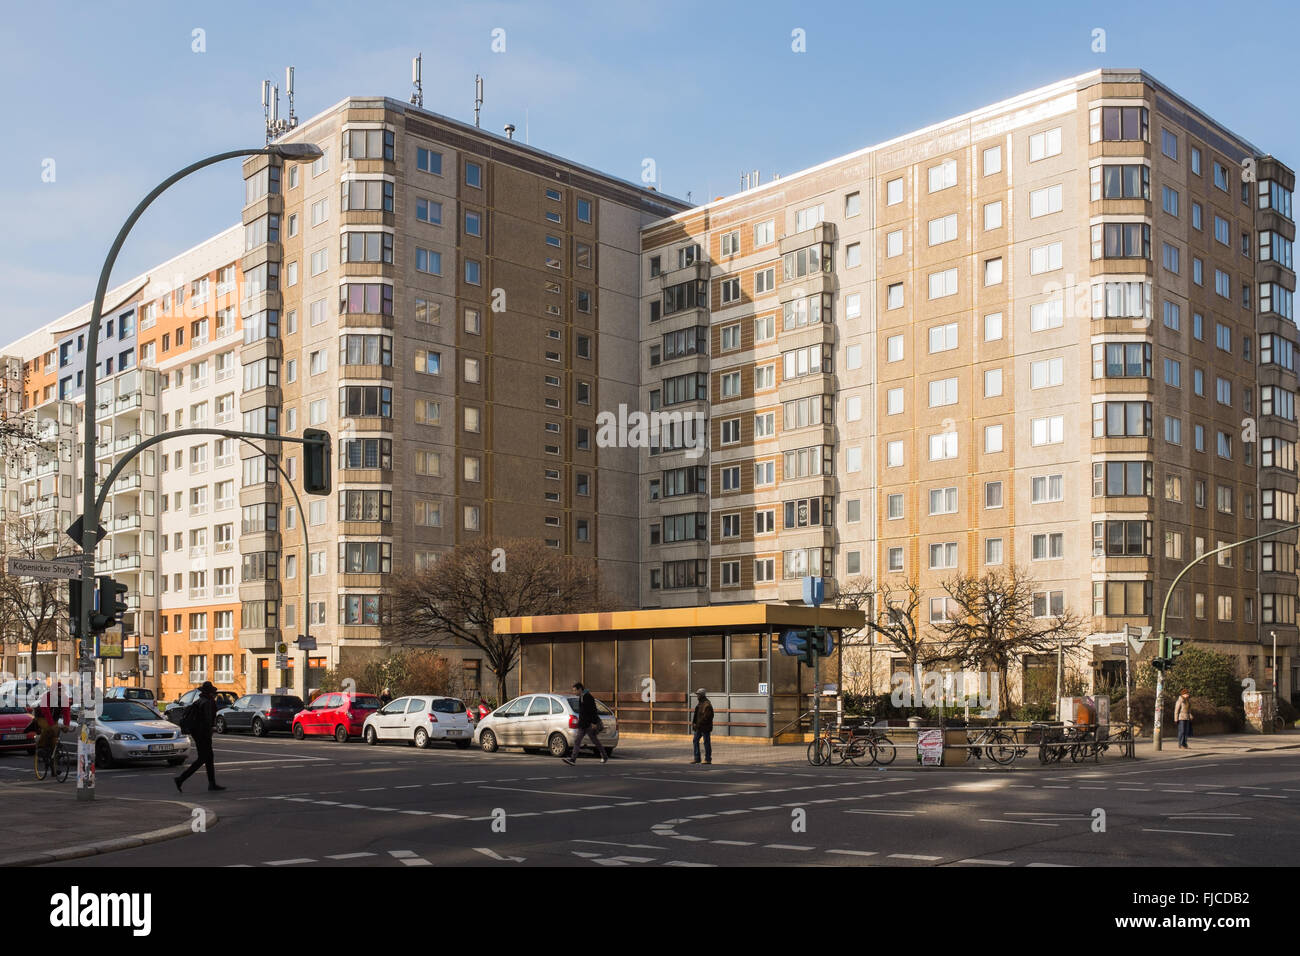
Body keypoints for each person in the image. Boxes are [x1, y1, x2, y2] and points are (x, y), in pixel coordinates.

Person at [175, 681, 225, 792]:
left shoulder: (198, 701)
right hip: (203, 734)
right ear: (210, 692)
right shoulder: (207, 702)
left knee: (208, 758)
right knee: (203, 758)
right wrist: (211, 729)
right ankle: (181, 779)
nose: (214, 694)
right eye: (213, 692)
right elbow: (208, 720)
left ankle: (212, 784)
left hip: (197, 733)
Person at [563, 682, 606, 766]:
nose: (574, 692)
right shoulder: (581, 697)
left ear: (580, 689)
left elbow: (593, 711)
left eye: (575, 690)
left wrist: (594, 723)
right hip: (583, 724)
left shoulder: (588, 697)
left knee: (594, 741)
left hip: (589, 724)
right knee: (578, 741)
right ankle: (573, 759)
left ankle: (604, 756)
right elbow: (583, 712)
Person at [691, 688, 714, 764]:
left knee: (706, 742)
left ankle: (708, 759)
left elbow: (708, 717)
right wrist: (694, 723)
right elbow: (696, 716)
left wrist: (699, 723)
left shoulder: (707, 704)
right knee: (695, 740)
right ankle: (697, 758)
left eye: (698, 694)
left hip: (705, 727)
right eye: (697, 694)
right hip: (699, 727)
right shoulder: (700, 703)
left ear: (702, 695)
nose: (697, 696)